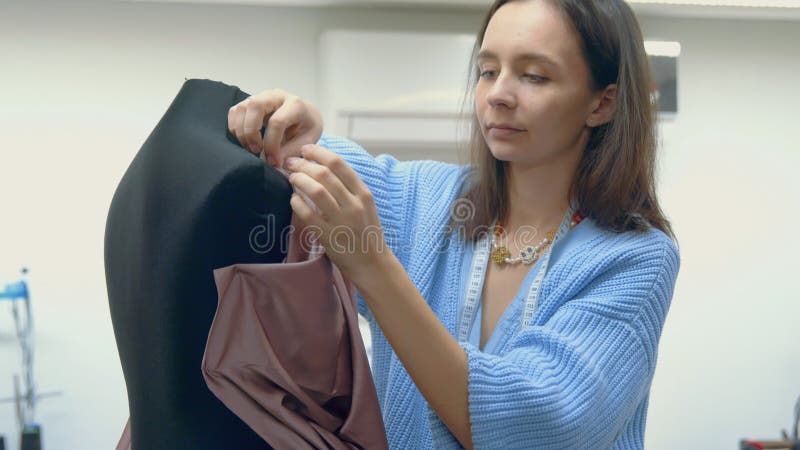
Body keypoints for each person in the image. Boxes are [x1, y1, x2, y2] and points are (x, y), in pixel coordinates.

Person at [226, 0, 680, 448]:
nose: (498, 94)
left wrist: (373, 267)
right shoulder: (430, 198)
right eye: (487, 71)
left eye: (534, 76)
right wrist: (299, 137)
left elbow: (540, 423)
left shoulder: (635, 258)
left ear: (603, 103)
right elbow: (343, 174)